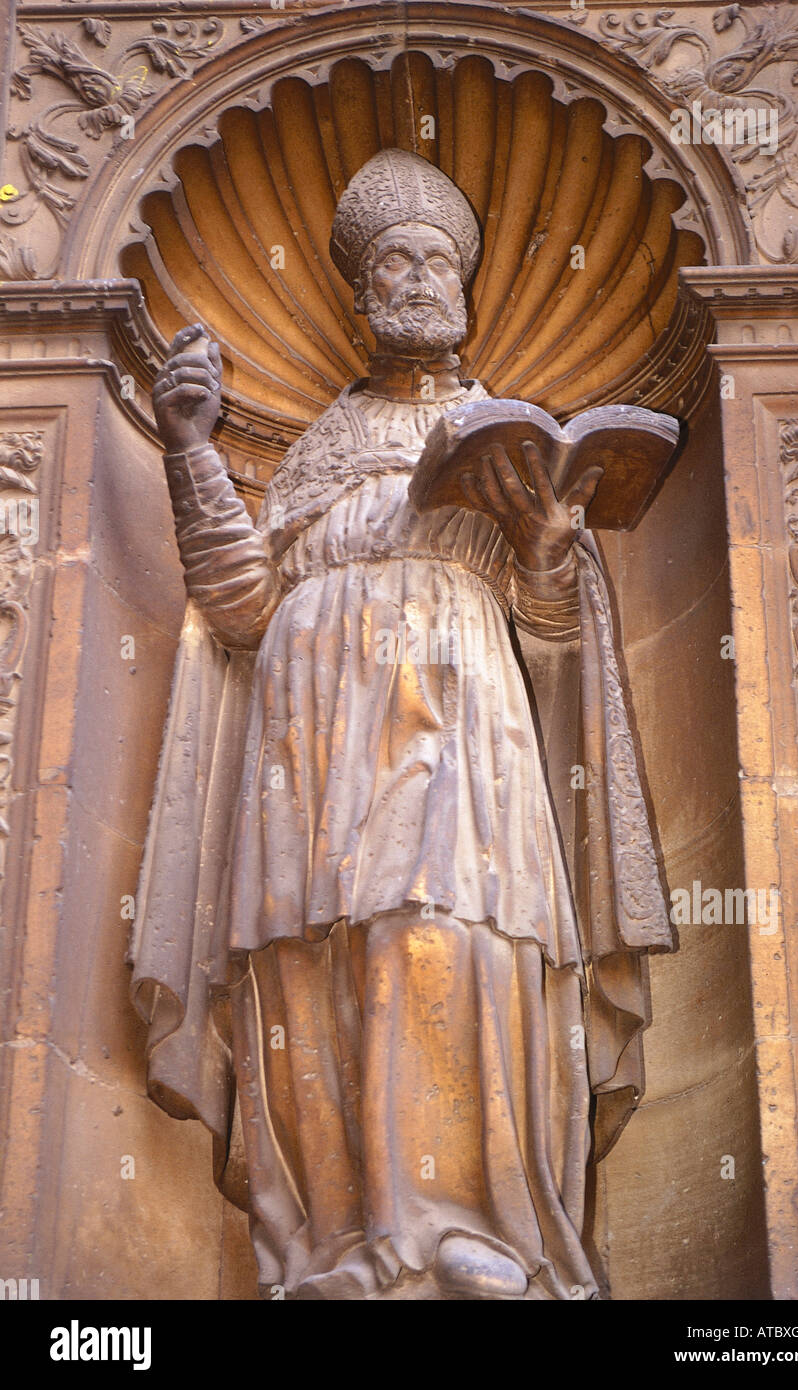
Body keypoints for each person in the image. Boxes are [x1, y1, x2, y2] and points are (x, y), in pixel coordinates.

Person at [131, 149, 673, 1300]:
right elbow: (238, 605)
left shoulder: (499, 430)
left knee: (452, 931)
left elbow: (551, 626)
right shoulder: (316, 447)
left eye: (439, 260)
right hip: (307, 723)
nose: (419, 278)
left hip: (461, 713)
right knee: (310, 955)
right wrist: (188, 447)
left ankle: (474, 1222)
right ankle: (336, 1241)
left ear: (467, 290)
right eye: (395, 261)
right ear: (363, 291)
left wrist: (541, 551)